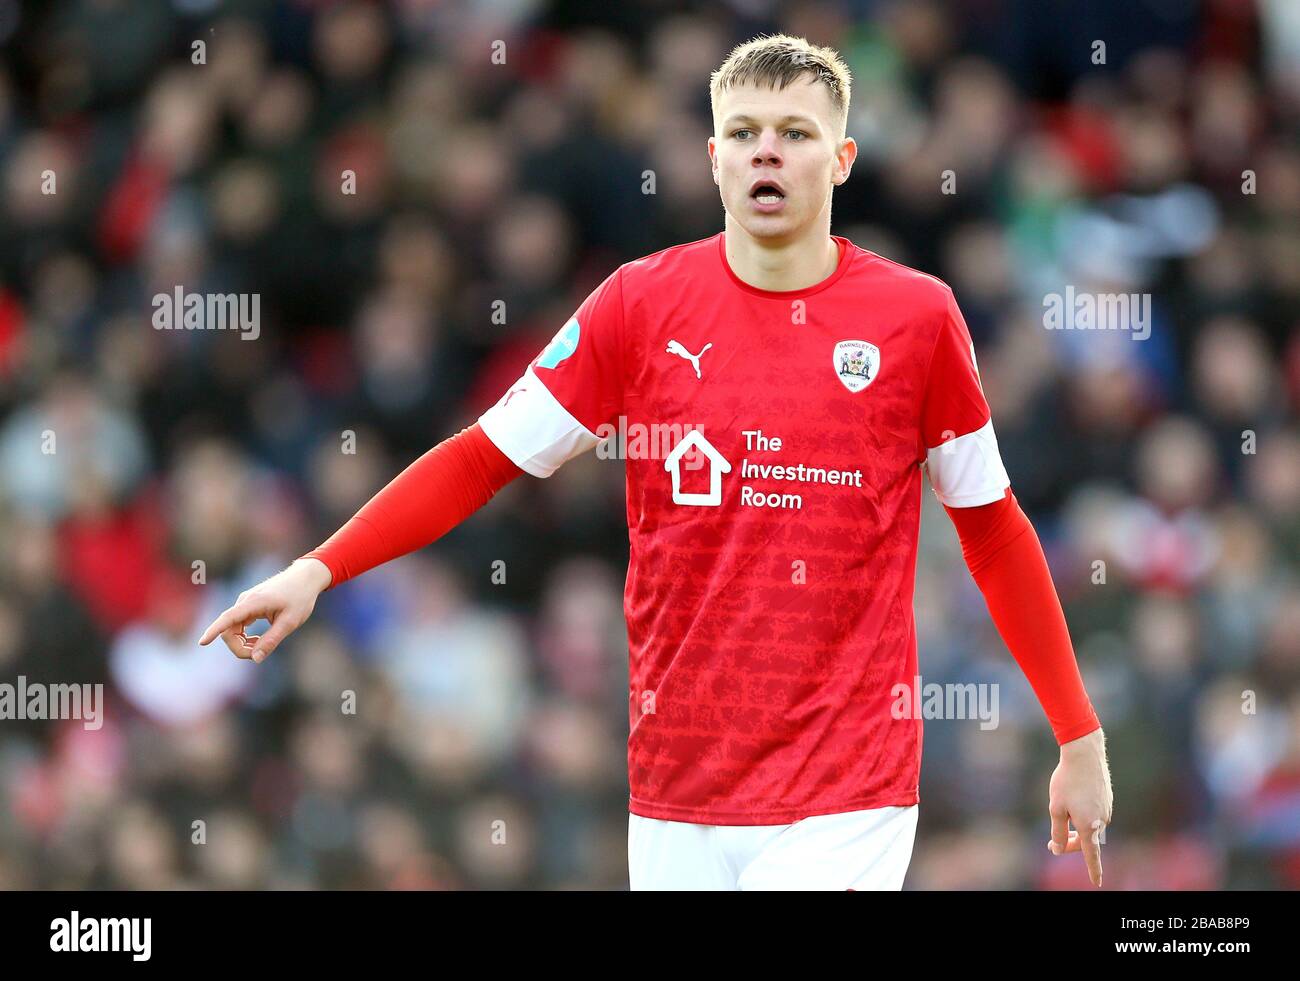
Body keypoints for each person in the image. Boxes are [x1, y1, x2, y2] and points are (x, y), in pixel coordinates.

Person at [200, 33, 1113, 890]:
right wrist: (321, 566)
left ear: (840, 161)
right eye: (744, 133)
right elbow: (482, 460)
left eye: (796, 134)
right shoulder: (639, 305)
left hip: (846, 786)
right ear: (713, 158)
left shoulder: (916, 319)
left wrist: (1079, 736)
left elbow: (993, 533)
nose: (767, 153)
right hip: (677, 785)